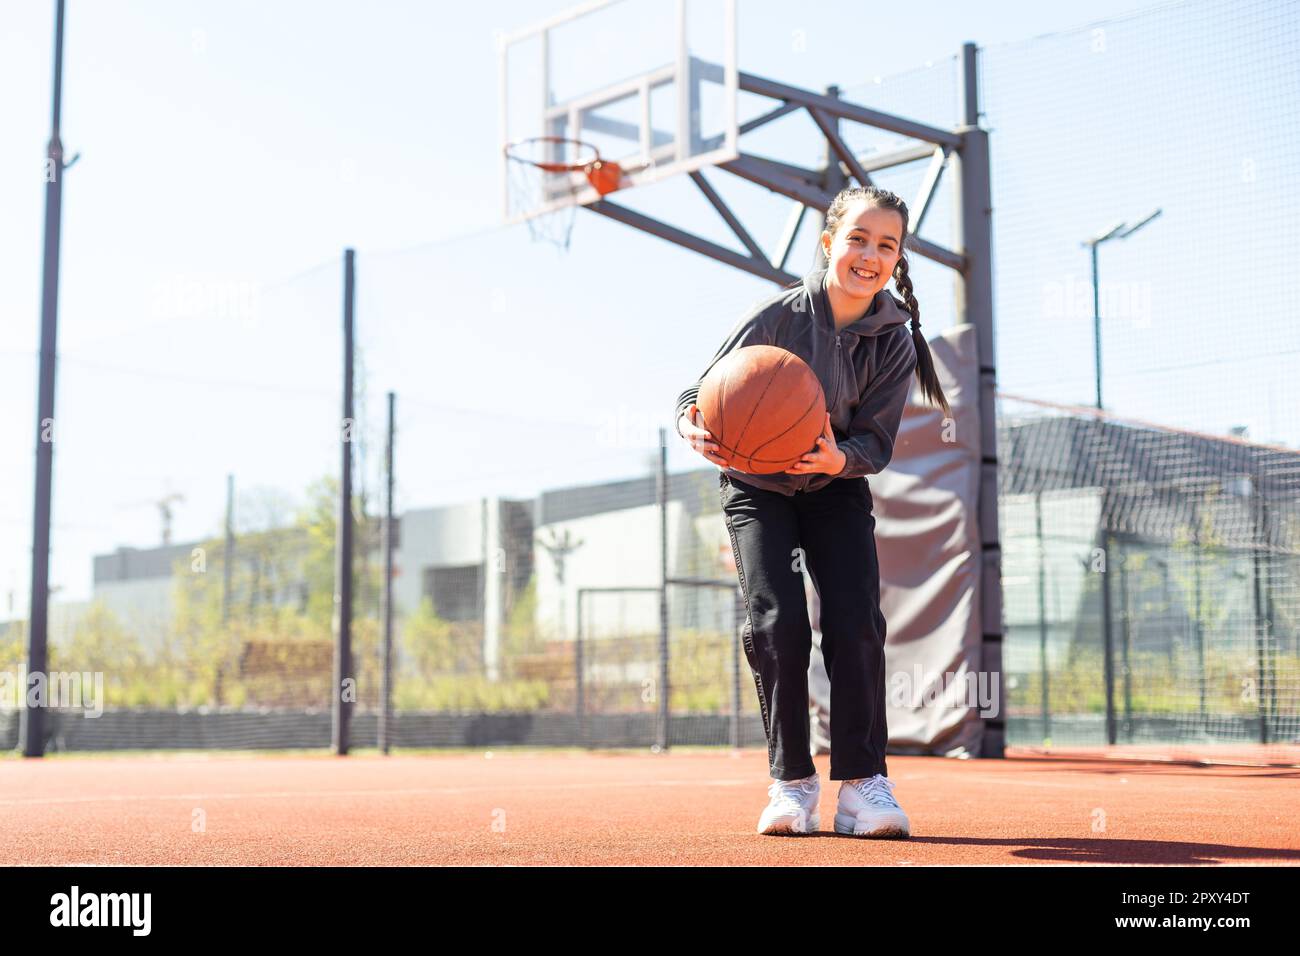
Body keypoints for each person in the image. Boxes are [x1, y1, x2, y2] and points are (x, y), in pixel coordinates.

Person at [673, 185, 951, 838]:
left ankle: (862, 786)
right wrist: (689, 417)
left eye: (887, 245)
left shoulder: (895, 342)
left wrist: (835, 458)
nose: (869, 254)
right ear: (828, 243)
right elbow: (704, 384)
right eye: (857, 238)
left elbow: (874, 444)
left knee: (856, 622)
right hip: (755, 486)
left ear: (898, 259)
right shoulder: (776, 316)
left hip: (834, 485)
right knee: (777, 623)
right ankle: (792, 783)